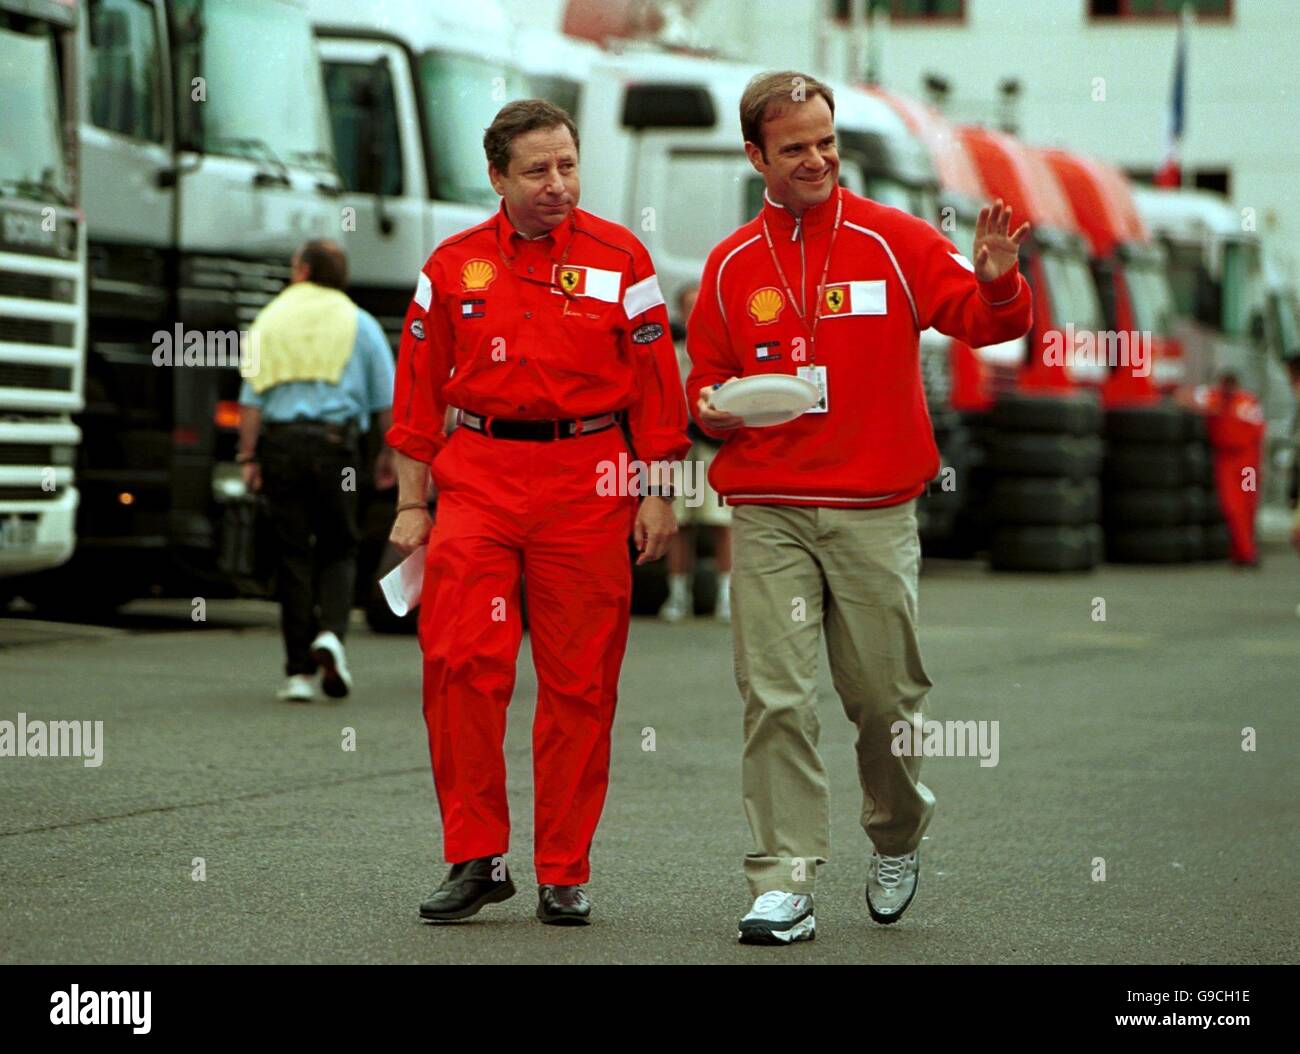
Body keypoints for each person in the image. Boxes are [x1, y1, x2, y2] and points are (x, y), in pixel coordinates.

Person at [687, 71, 1033, 945]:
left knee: (884, 697)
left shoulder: (894, 239)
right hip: (767, 505)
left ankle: (897, 832)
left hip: (875, 505)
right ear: (755, 155)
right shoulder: (729, 265)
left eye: (826, 140)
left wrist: (997, 283)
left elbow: (986, 324)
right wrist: (713, 407)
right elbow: (702, 385)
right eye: (795, 146)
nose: (817, 158)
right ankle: (784, 880)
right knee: (774, 697)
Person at [386, 99, 688, 926]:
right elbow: (415, 393)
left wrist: (659, 491)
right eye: (536, 170)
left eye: (567, 166)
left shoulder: (621, 257)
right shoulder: (451, 266)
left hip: (589, 477)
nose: (557, 184)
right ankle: (475, 856)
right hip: (478, 474)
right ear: (497, 177)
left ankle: (564, 867)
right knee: (458, 664)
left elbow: (660, 384)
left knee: (581, 681)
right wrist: (413, 506)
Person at [237, 239, 395, 703]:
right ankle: (331, 633)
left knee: (292, 553)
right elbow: (386, 400)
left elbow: (250, 401)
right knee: (339, 545)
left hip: (281, 445)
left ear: (303, 270)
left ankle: (298, 673)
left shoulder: (271, 318)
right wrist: (388, 454)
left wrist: (248, 456)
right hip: (335, 446)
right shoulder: (359, 322)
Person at [660, 284, 734, 623]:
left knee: (721, 523)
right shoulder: (670, 351)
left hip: (713, 445)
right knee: (680, 523)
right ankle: (678, 596)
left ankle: (726, 596)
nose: (692, 313)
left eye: (697, 306)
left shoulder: (721, 349)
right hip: (680, 447)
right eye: (687, 306)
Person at [1200, 371, 1266, 566]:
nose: (1228, 388)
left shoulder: (1247, 402)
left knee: (1248, 505)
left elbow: (1260, 431)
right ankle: (1246, 553)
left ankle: (1244, 551)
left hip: (1248, 460)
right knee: (1231, 506)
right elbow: (1186, 399)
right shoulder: (1213, 399)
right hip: (1225, 459)